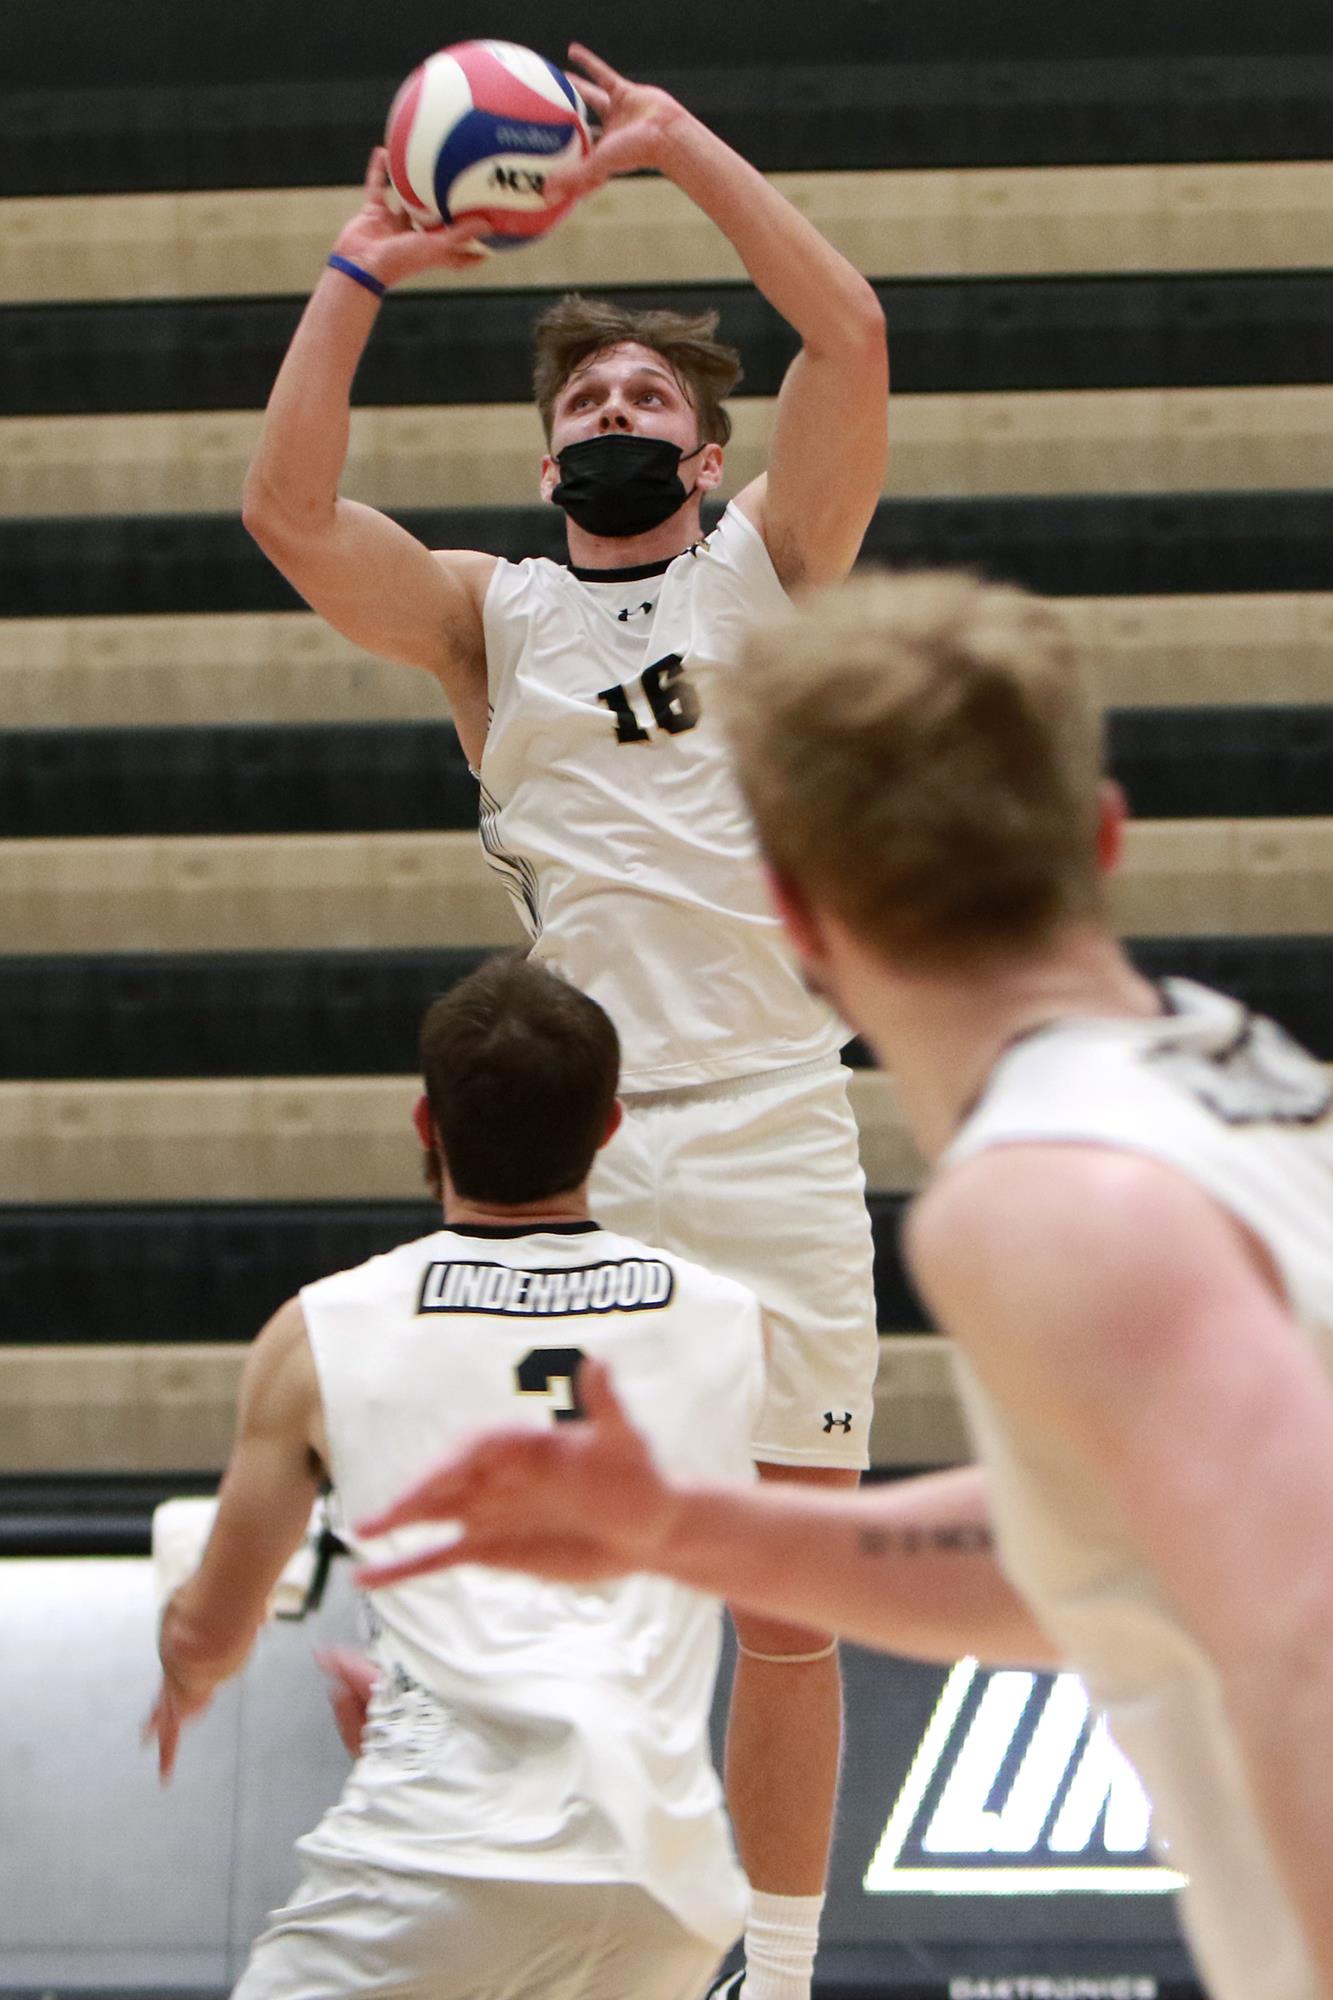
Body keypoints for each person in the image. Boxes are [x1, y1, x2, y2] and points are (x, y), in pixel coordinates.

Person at [356, 572, 1333, 2000]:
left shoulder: (1052, 1197)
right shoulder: (1241, 1070)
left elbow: (1303, 1635)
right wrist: (688, 1525)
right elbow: (1116, 1551)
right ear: (1105, 838)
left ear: (791, 918)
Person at [241, 41, 889, 2000]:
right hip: (569, 1174)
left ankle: (770, 1978)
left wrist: (684, 146)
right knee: (547, 1604)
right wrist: (357, 266)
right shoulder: (484, 615)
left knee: (790, 1616)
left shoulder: (774, 559)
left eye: (648, 401)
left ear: (703, 456)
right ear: (548, 465)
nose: (614, 413)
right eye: (584, 400)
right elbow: (283, 509)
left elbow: (848, 335)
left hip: (774, 1120)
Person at [147, 953, 766, 2000]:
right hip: (667, 1882)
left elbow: (215, 1630)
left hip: (442, 1855)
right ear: (609, 1125)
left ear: (426, 1124)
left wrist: (180, 1665)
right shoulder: (728, 1319)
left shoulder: (320, 1333)